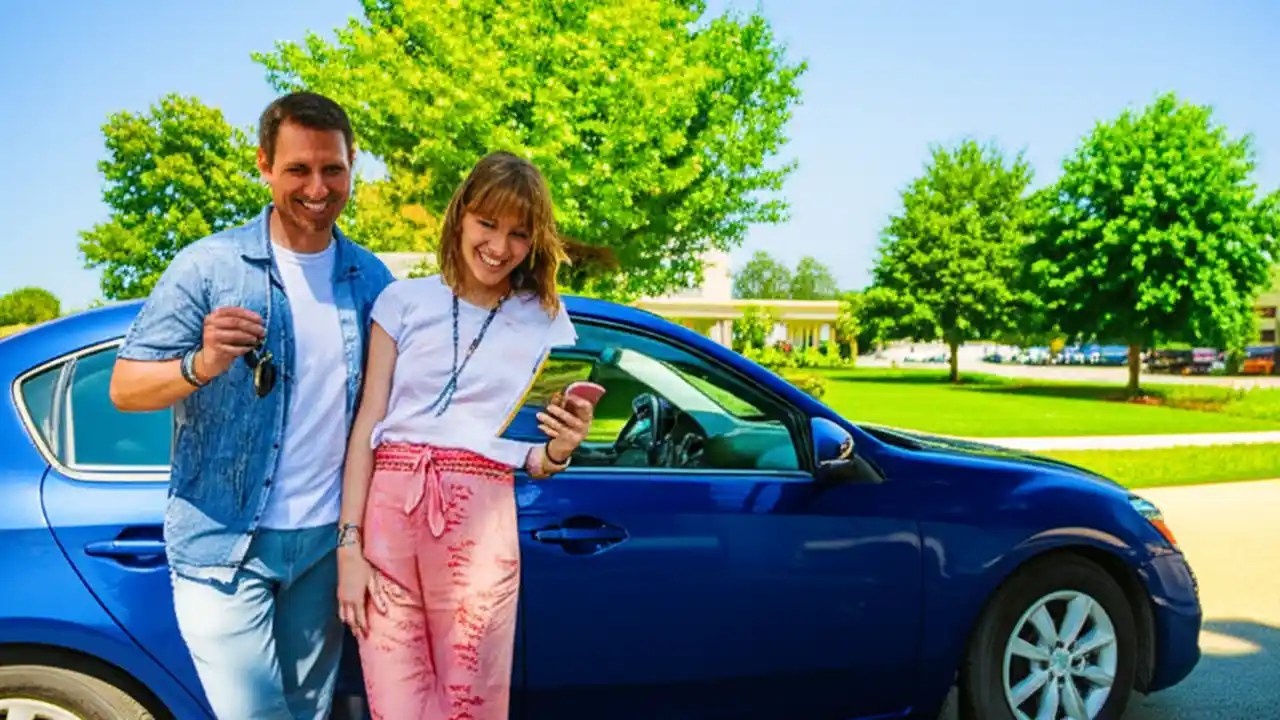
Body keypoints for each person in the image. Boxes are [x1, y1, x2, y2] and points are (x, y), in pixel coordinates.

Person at [109, 91, 395, 719]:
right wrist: (202, 364)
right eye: (297, 169)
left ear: (353, 166)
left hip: (324, 548)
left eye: (333, 169)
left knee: (309, 713)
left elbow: (394, 412)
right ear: (265, 165)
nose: (317, 187)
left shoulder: (371, 280)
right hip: (222, 545)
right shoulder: (208, 267)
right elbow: (125, 388)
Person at [335, 151, 594, 720]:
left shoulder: (547, 318)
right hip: (389, 516)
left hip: (481, 521)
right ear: (460, 216)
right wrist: (347, 548)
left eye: (519, 234)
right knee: (396, 706)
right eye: (487, 224)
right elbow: (366, 430)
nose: (500, 248)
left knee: (469, 707)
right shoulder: (401, 301)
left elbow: (538, 453)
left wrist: (560, 448)